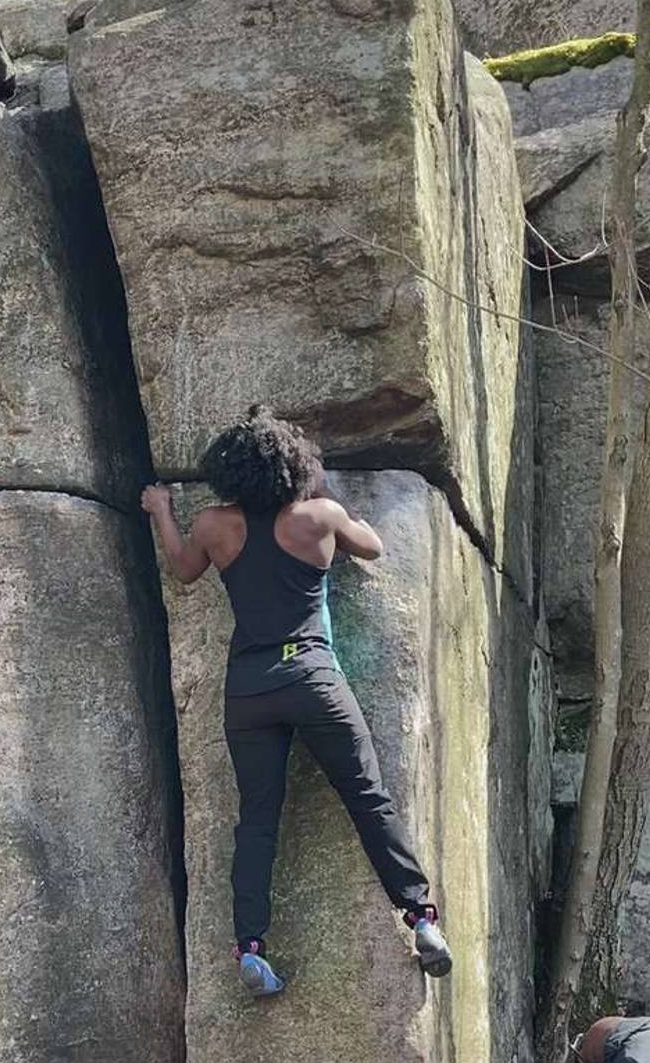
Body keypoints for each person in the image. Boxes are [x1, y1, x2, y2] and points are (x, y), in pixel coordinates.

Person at [143, 405, 452, 997]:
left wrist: (161, 511)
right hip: (312, 678)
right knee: (367, 798)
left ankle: (250, 949)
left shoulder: (213, 526)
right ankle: (420, 918)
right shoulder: (317, 518)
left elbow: (183, 571)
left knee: (257, 820)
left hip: (248, 689)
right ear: (294, 466)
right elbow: (373, 546)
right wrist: (324, 490)